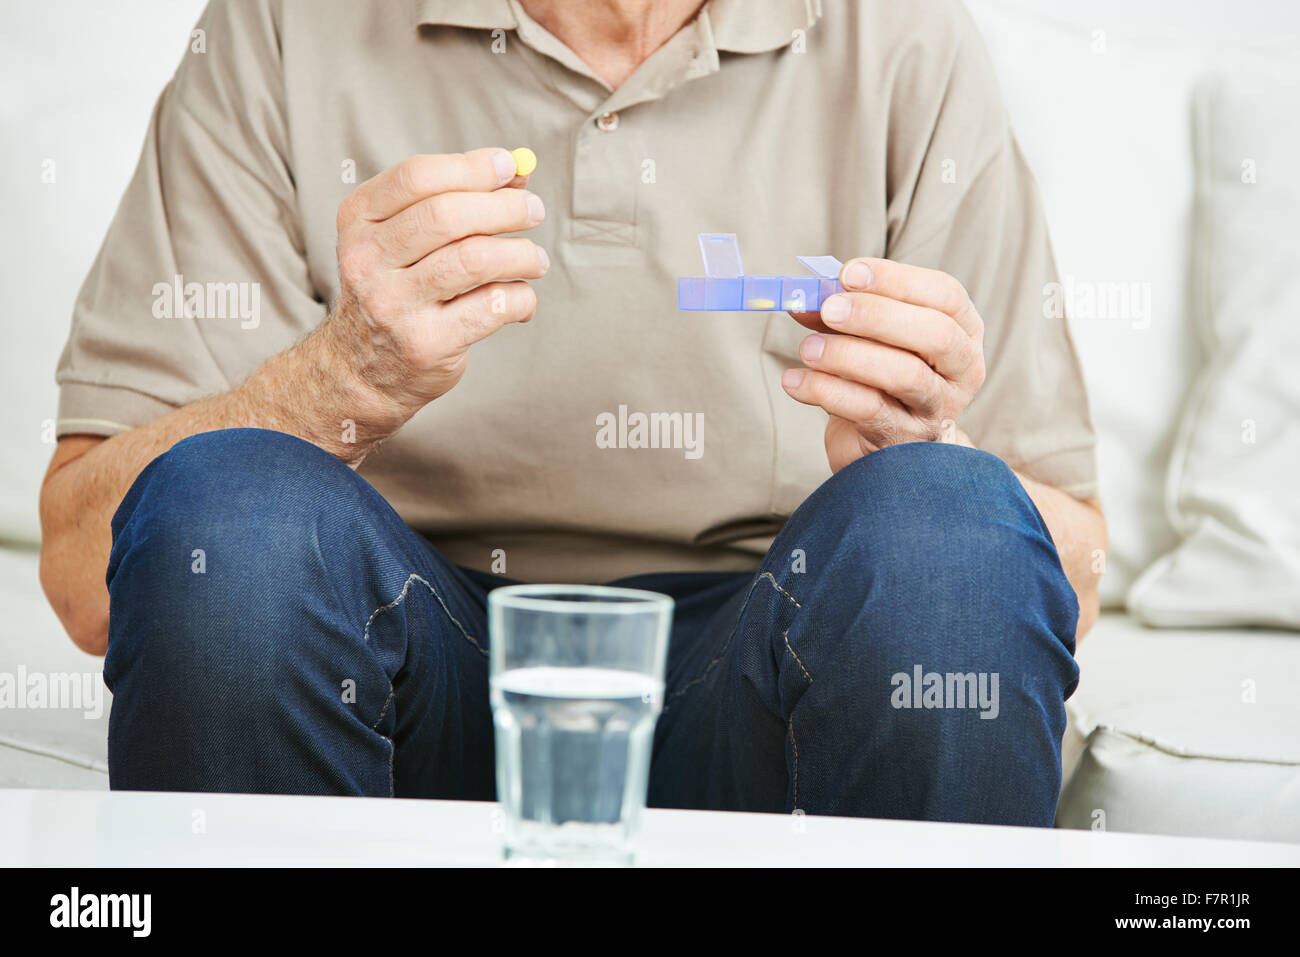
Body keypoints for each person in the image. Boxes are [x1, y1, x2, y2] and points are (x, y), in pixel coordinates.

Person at [39, 0, 1106, 824]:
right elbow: (89, 572)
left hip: (763, 674)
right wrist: (337, 383)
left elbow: (1069, 572)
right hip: (394, 668)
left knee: (949, 533)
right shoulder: (279, 28)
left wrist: (916, 450)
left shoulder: (900, 39)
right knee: (230, 523)